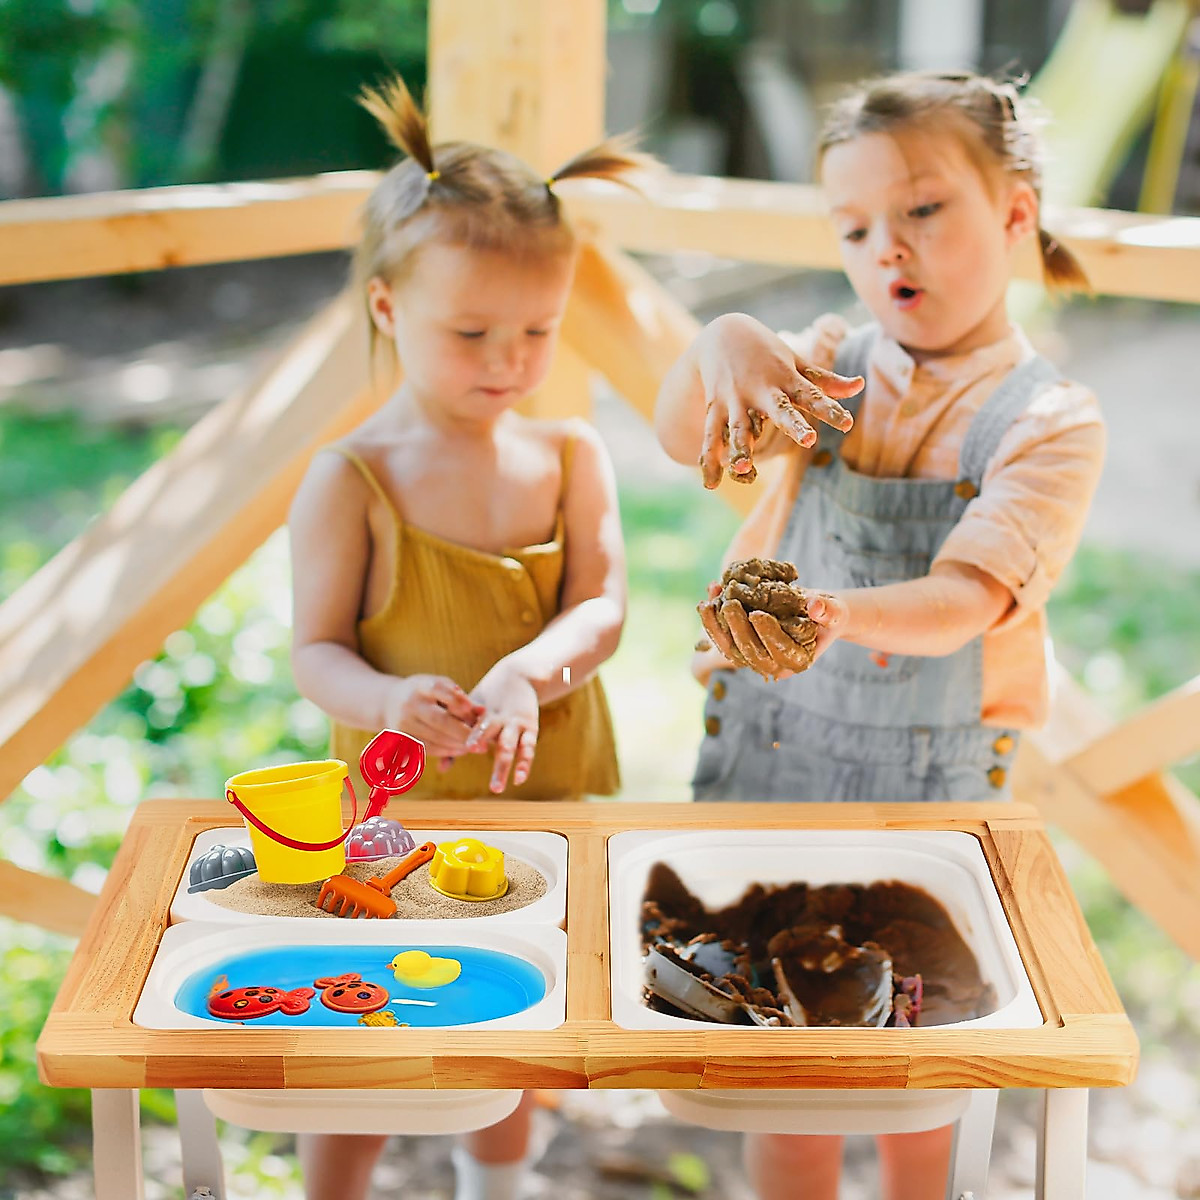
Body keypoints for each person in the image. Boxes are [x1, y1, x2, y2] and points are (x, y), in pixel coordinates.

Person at [655, 70, 1105, 1200]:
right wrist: (722, 341)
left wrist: (837, 615)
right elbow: (679, 435)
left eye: (923, 210)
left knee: (920, 1074)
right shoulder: (825, 364)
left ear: (1015, 212)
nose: (886, 248)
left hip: (927, 811)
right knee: (778, 1071)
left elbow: (963, 600)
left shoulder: (1048, 423)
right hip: (775, 774)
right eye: (854, 228)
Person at [288, 74, 647, 1200]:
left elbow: (602, 605)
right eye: (473, 332)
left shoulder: (571, 455)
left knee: (515, 1020)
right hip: (392, 825)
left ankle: (499, 1182)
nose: (509, 360)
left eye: (539, 330)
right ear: (389, 308)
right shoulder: (353, 479)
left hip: (546, 805)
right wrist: (387, 702)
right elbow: (315, 651)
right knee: (362, 1027)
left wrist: (532, 671)